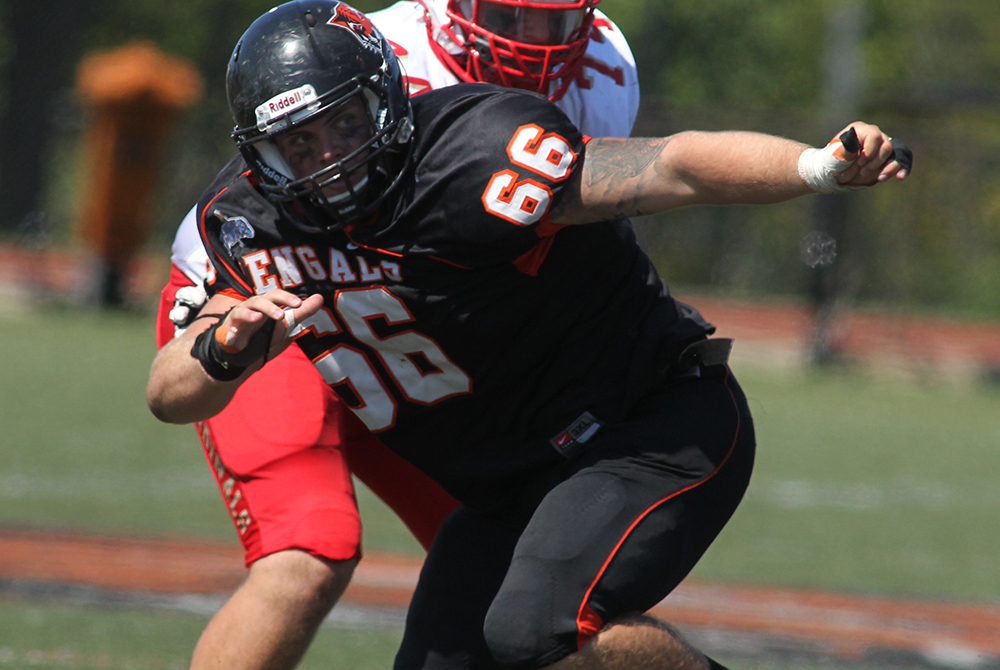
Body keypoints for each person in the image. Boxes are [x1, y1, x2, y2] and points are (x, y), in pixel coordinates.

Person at [147, 1, 909, 669]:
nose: (329, 159)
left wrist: (812, 166)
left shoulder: (476, 154)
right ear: (258, 152)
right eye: (298, 143)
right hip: (512, 481)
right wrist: (226, 348)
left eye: (344, 124)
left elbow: (672, 167)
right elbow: (169, 393)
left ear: (386, 98)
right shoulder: (250, 224)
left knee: (535, 633)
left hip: (645, 425)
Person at [154, 0, 639, 668]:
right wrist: (225, 322)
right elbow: (237, 218)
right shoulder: (367, 56)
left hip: (415, 334)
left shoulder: (605, 67)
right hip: (286, 300)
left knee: (527, 580)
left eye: (549, 23)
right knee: (306, 555)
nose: (528, 43)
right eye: (506, 15)